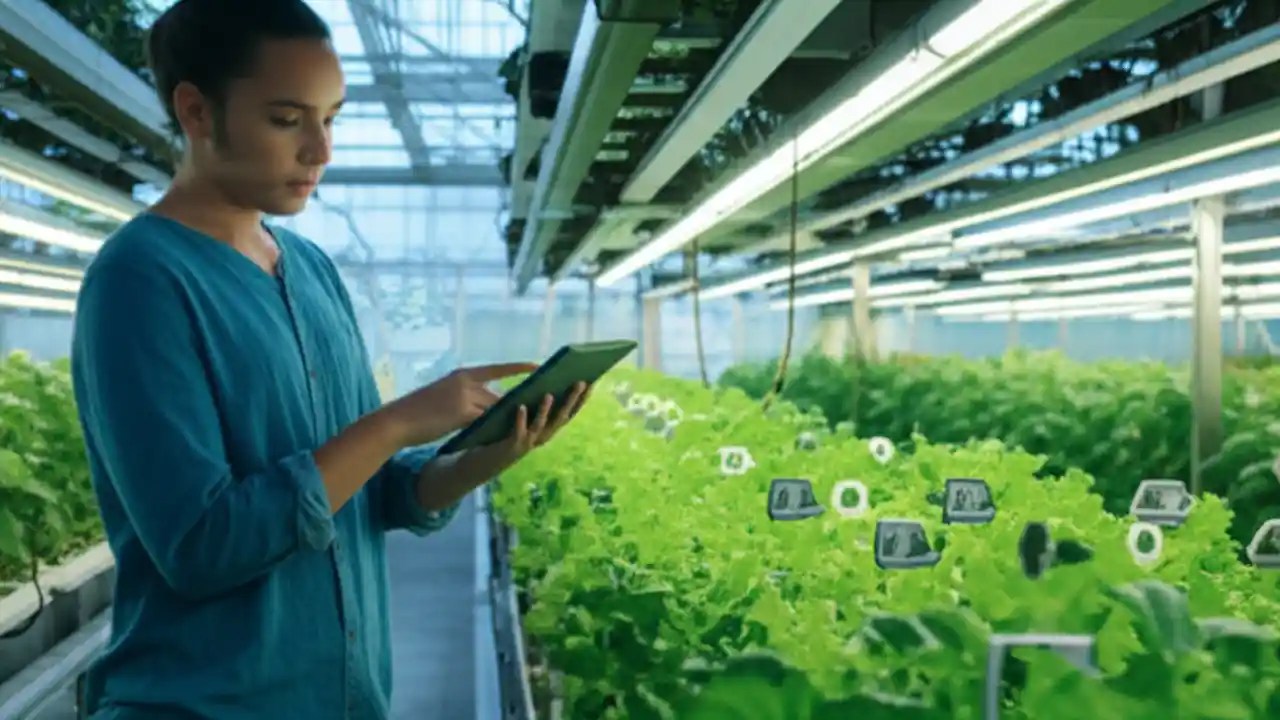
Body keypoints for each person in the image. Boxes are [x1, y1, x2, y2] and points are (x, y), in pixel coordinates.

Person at [68, 1, 589, 718]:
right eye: (287, 120)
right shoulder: (141, 279)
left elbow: (368, 491)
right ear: (196, 112)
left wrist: (482, 455)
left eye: (331, 117)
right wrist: (398, 423)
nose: (321, 150)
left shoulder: (310, 271)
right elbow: (201, 545)